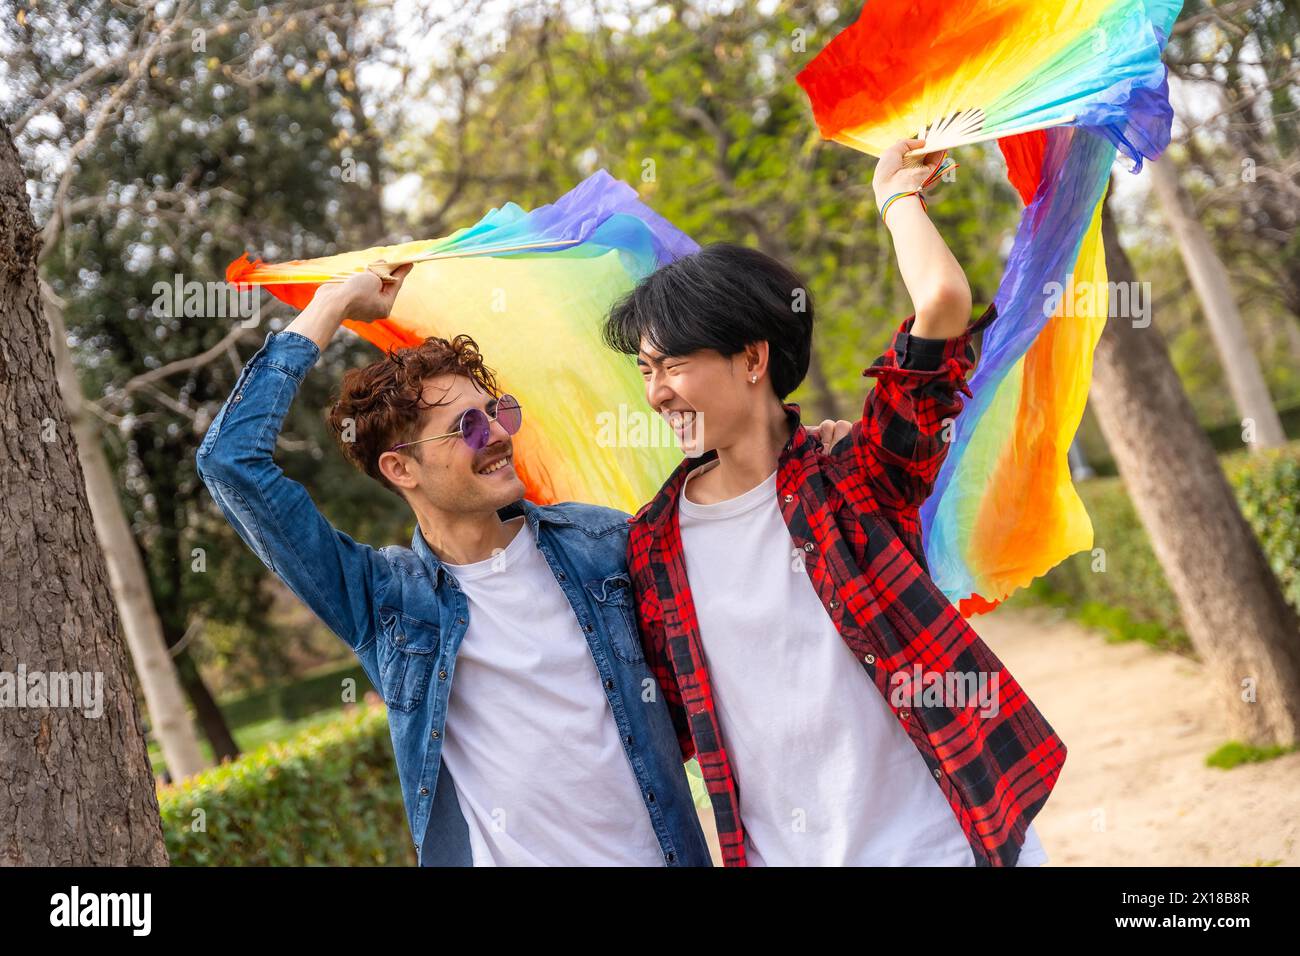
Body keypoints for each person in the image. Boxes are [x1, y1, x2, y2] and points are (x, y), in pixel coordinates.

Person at [602, 139, 1067, 866]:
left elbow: (942, 304)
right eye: (645, 370)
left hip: (942, 844)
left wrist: (895, 197)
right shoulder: (651, 545)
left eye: (675, 364)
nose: (656, 391)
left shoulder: (857, 474)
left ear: (753, 359)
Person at [196, 263, 713, 866]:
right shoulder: (386, 603)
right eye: (466, 426)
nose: (495, 433)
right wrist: (334, 303)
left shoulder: (600, 542)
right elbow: (232, 461)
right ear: (401, 469)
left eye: (496, 411)